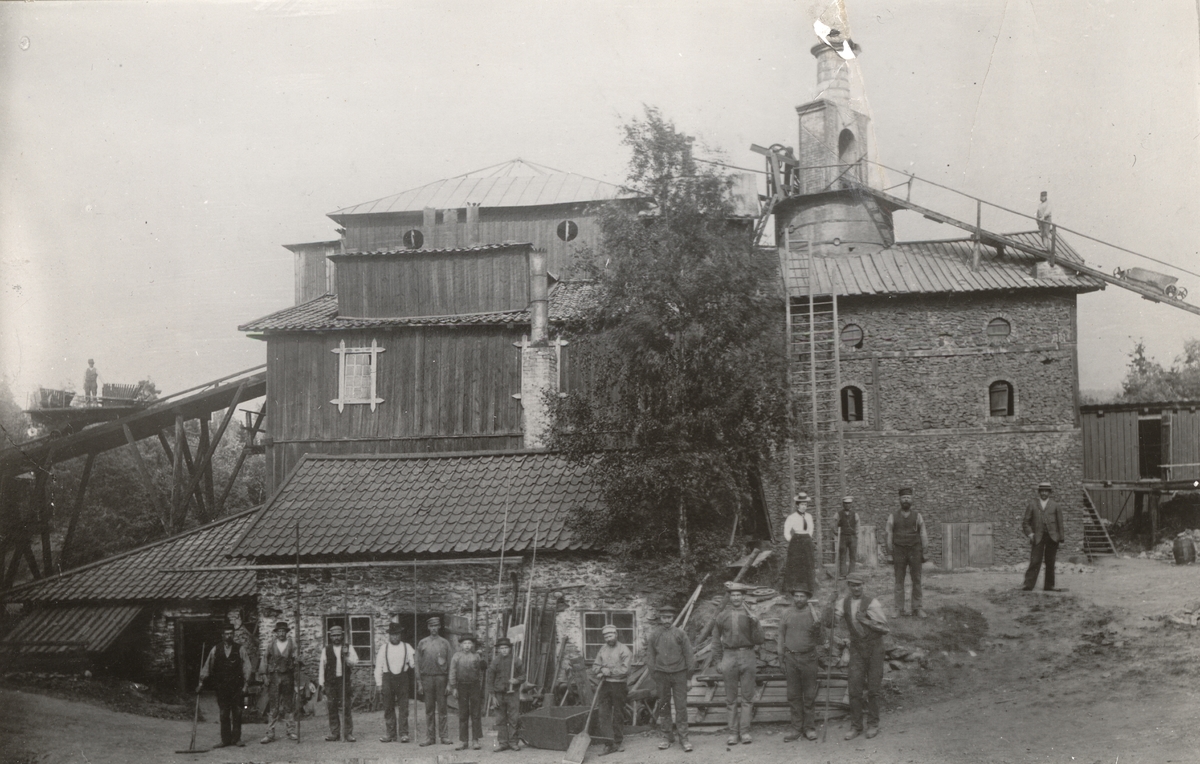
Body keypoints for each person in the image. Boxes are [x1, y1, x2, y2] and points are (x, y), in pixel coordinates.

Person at [833, 574, 888, 740]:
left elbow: (885, 628)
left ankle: (873, 724)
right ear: (849, 586)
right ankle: (856, 726)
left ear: (863, 585)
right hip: (857, 648)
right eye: (853, 585)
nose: (856, 588)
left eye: (859, 585)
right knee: (854, 688)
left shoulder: (872, 603)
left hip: (874, 648)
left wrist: (866, 621)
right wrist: (830, 605)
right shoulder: (843, 602)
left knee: (873, 689)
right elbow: (831, 622)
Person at [711, 581, 764, 745]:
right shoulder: (722, 616)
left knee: (747, 697)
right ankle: (733, 733)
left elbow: (759, 640)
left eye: (738, 595)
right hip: (729, 656)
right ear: (729, 597)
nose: (736, 598)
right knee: (731, 698)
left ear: (743, 597)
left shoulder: (750, 615)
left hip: (748, 655)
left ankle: (745, 732)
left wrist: (756, 623)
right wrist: (718, 661)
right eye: (733, 595)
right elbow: (715, 640)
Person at [779, 586, 825, 743]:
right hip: (791, 658)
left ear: (807, 598)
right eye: (796, 596)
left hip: (809, 658)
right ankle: (796, 728)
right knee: (793, 695)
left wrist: (818, 629)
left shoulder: (814, 614)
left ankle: (809, 728)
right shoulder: (786, 614)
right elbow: (781, 636)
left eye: (802, 596)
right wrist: (781, 658)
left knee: (809, 695)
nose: (799, 599)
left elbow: (821, 640)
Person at [646, 604, 694, 753]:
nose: (667, 620)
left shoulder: (680, 634)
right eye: (664, 617)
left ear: (673, 618)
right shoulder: (655, 635)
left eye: (669, 617)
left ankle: (684, 738)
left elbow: (689, 655)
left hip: (679, 674)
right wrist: (654, 675)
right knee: (664, 706)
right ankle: (667, 737)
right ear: (660, 618)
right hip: (661, 675)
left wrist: (689, 677)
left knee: (681, 707)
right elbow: (650, 657)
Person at [197, 625, 252, 749]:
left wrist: (246, 685)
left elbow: (247, 667)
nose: (229, 636)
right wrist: (201, 683)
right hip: (222, 687)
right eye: (226, 634)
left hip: (237, 687)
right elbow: (207, 666)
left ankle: (236, 739)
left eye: (231, 633)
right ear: (222, 635)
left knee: (237, 713)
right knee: (223, 714)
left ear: (234, 634)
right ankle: (225, 740)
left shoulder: (240, 649)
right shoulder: (216, 649)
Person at [885, 487, 929, 617]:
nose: (906, 500)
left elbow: (923, 534)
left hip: (915, 550)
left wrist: (925, 551)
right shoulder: (893, 516)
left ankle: (917, 608)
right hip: (899, 551)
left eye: (908, 498)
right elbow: (888, 534)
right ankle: (898, 608)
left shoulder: (918, 516)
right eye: (903, 497)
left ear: (912, 499)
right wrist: (889, 553)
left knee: (917, 579)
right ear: (899, 499)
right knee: (899, 580)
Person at [591, 624, 632, 756]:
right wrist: (600, 669)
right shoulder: (602, 649)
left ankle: (618, 742)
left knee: (618, 713)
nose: (609, 638)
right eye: (606, 637)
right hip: (604, 685)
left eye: (611, 635)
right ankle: (609, 743)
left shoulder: (624, 650)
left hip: (619, 685)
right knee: (603, 713)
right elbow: (595, 666)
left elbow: (625, 670)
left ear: (616, 634)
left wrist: (609, 671)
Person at [415, 615, 453, 746]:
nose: (434, 628)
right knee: (429, 709)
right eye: (431, 626)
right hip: (427, 679)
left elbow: (451, 664)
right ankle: (430, 737)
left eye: (436, 626)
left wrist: (449, 683)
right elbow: (417, 663)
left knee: (442, 708)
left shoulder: (445, 643)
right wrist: (419, 682)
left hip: (441, 678)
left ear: (439, 627)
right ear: (428, 627)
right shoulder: (422, 643)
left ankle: (444, 736)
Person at [1022, 482, 1067, 592]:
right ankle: (1028, 585)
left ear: (1050, 492)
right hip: (1037, 537)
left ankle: (1049, 586)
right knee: (1035, 561)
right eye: (1042, 491)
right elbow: (1025, 522)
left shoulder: (1055, 505)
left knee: (1050, 562)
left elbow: (1060, 523)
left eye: (1046, 491)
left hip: (1052, 537)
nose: (1044, 493)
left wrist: (1060, 538)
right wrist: (1030, 534)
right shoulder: (1032, 505)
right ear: (1039, 492)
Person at [374, 621, 414, 743]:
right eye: (392, 634)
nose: (395, 637)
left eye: (397, 634)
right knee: (388, 707)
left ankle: (404, 734)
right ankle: (390, 734)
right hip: (387, 679)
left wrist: (417, 658)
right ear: (389, 635)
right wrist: (379, 684)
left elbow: (413, 664)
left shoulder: (407, 647)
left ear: (400, 635)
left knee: (404, 707)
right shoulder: (384, 648)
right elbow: (378, 667)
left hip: (402, 679)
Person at [318, 623, 359, 742]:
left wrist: (347, 657)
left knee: (346, 707)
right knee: (332, 708)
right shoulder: (326, 650)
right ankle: (335, 733)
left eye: (338, 635)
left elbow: (355, 662)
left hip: (343, 682)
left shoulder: (348, 647)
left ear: (342, 636)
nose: (336, 638)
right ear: (330, 637)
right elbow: (322, 667)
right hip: (330, 683)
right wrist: (321, 683)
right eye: (334, 635)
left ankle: (348, 734)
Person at [260, 621, 298, 744]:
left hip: (288, 677)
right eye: (279, 631)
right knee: (274, 706)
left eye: (283, 631)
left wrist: (297, 661)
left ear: (286, 633)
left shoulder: (292, 644)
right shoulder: (271, 645)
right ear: (276, 633)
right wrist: (264, 676)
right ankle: (270, 733)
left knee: (288, 705)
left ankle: (291, 731)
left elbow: (297, 659)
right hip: (274, 677)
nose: (281, 634)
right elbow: (264, 659)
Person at [448, 634, 487, 751]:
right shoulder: (456, 656)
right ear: (460, 645)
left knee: (475, 713)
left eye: (469, 643)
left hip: (474, 686)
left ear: (473, 645)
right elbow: (452, 672)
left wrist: (482, 659)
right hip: (461, 686)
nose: (467, 646)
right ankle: (464, 741)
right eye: (465, 643)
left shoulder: (477, 656)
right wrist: (454, 687)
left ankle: (475, 740)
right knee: (463, 714)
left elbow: (482, 670)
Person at [485, 636, 525, 752]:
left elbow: (523, 676)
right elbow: (490, 680)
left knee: (513, 718)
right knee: (500, 719)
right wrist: (493, 696)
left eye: (506, 648)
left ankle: (513, 742)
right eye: (501, 648)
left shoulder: (516, 661)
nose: (504, 650)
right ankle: (503, 743)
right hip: (499, 695)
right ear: (498, 649)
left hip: (512, 694)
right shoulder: (495, 662)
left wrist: (516, 680)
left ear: (510, 648)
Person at [782, 492, 816, 595]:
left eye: (805, 504)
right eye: (802, 504)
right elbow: (786, 531)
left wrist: (808, 538)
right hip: (796, 540)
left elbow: (811, 528)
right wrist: (792, 541)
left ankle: (809, 587)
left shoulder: (809, 516)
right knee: (795, 563)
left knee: (808, 563)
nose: (804, 506)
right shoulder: (792, 517)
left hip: (806, 540)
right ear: (797, 505)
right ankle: (792, 587)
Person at [837, 496, 859, 577]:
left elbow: (858, 525)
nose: (847, 505)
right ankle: (843, 574)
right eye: (845, 503)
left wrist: (856, 535)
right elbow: (833, 524)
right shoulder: (838, 514)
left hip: (852, 537)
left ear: (851, 504)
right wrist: (836, 533)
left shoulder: (855, 514)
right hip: (843, 537)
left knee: (853, 556)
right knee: (842, 556)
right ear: (843, 504)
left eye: (849, 503)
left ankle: (851, 574)